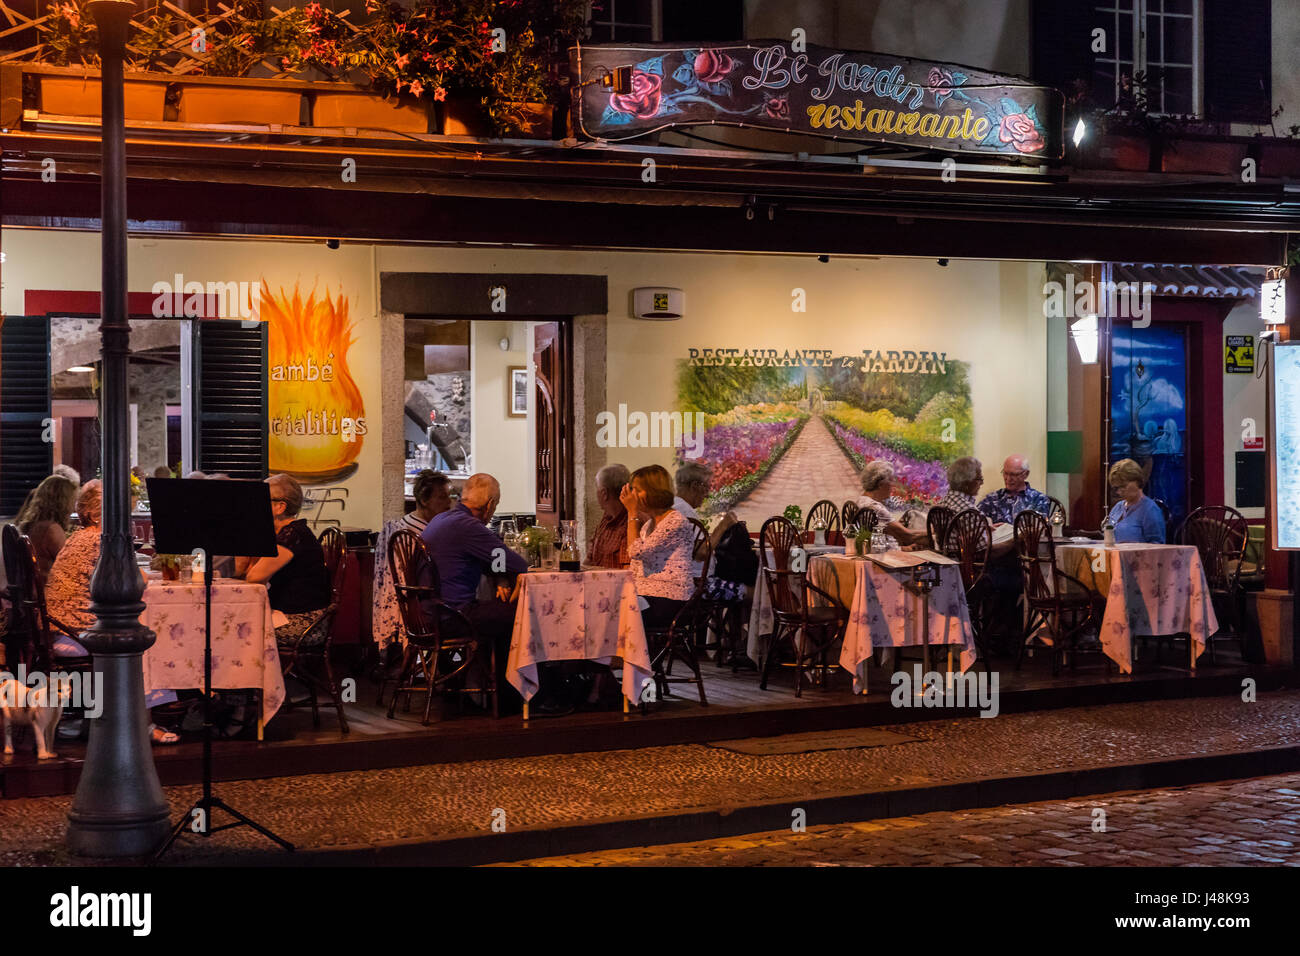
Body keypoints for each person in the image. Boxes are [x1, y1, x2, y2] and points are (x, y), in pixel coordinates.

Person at [44, 480, 179, 744]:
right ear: (96, 514)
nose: (125, 519)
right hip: (75, 633)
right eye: (120, 512)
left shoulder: (78, 538)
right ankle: (145, 724)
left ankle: (125, 716)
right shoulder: (102, 540)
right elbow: (136, 581)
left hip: (57, 629)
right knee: (144, 641)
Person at [421, 473, 529, 711]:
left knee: (502, 613)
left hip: (426, 613)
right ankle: (513, 696)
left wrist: (499, 576)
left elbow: (485, 560)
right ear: (490, 505)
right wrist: (506, 573)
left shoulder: (442, 519)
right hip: (454, 616)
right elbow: (519, 564)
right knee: (521, 615)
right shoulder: (469, 526)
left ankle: (474, 689)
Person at [238, 474, 331, 647]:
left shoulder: (292, 536)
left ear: (279, 507)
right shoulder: (282, 534)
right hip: (287, 612)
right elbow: (242, 572)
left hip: (303, 622)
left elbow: (253, 578)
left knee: (236, 629)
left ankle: (255, 674)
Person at [373, 470, 453, 653]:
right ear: (424, 501)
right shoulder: (426, 534)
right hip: (424, 610)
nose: (449, 503)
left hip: (406, 609)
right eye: (442, 497)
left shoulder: (402, 524)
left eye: (450, 497)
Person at [623, 465, 697, 629]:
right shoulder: (649, 525)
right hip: (647, 594)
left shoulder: (675, 521)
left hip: (670, 598)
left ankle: (630, 655)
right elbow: (636, 566)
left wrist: (632, 514)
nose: (633, 496)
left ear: (653, 492)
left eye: (637, 490)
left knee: (620, 614)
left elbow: (636, 552)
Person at [14, 474, 78, 577]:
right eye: (72, 500)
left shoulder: (33, 524)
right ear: (63, 502)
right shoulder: (51, 529)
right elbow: (71, 564)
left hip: (31, 588)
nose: (73, 507)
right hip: (48, 589)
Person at [856, 461, 929, 550]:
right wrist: (933, 531)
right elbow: (909, 535)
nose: (893, 484)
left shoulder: (861, 501)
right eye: (890, 480)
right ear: (880, 485)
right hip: (885, 554)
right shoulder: (875, 508)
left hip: (877, 549)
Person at [977, 455, 1053, 525]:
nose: (1008, 478)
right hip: (999, 539)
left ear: (1026, 474)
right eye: (1005, 473)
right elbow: (974, 519)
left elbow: (1040, 528)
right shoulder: (993, 499)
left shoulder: (1038, 499)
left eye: (1013, 474)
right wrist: (988, 527)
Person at [1106, 458, 1166, 544]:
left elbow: (1158, 546)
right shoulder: (1117, 508)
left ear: (1137, 481)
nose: (1119, 492)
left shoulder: (1150, 510)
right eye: (1116, 488)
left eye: (1123, 486)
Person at [587, 463, 631, 568]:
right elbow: (589, 559)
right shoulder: (606, 519)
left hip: (615, 584)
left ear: (604, 493)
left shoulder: (630, 523)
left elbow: (627, 572)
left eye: (596, 488)